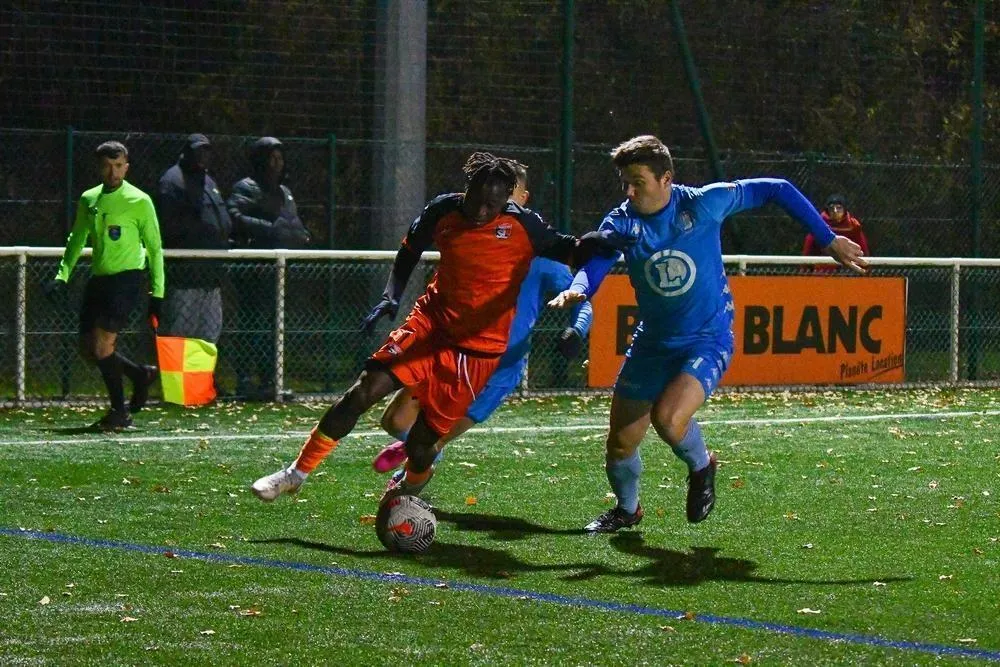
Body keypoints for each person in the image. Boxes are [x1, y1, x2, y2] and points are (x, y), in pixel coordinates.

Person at [548, 135, 867, 533]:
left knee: (668, 418)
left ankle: (702, 465)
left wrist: (827, 238)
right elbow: (597, 263)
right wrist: (579, 288)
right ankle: (627, 510)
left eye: (638, 182)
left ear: (666, 178)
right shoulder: (622, 221)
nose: (629, 192)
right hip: (652, 343)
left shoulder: (703, 203)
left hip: (707, 338)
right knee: (620, 444)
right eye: (624, 183)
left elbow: (776, 189)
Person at [250, 152, 605, 505]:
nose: (481, 211)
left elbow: (575, 253)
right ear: (466, 187)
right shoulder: (443, 211)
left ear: (506, 201)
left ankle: (409, 491)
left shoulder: (527, 227)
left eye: (492, 205)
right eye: (477, 200)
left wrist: (606, 243)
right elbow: (410, 250)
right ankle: (296, 473)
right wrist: (392, 296)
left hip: (478, 351)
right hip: (430, 326)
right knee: (363, 391)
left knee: (423, 445)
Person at [371, 161, 594, 479]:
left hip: (496, 370)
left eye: (508, 194)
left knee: (427, 447)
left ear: (522, 197)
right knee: (394, 421)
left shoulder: (541, 253)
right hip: (451, 351)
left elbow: (582, 299)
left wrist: (577, 330)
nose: (498, 202)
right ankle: (422, 455)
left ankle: (408, 495)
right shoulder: (469, 233)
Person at [45, 141, 164, 430]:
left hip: (127, 280)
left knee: (102, 345)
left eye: (119, 165)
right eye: (108, 166)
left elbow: (155, 247)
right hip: (99, 279)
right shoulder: (89, 199)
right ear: (99, 167)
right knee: (88, 350)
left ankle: (119, 414)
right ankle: (139, 374)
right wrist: (62, 275)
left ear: (127, 166)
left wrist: (157, 292)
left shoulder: (139, 200)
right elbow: (77, 239)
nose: (114, 172)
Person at [227, 137, 310, 398]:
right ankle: (244, 380)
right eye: (272, 158)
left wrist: (300, 234)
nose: (277, 163)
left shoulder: (283, 192)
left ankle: (269, 380)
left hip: (278, 270)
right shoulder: (246, 187)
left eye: (280, 158)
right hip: (253, 269)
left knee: (275, 325)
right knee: (252, 323)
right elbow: (234, 216)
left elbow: (292, 221)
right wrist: (268, 230)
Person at [155, 133, 231, 345]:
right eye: (198, 150)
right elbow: (168, 227)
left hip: (210, 277)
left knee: (208, 339)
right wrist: (204, 234)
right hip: (185, 277)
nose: (202, 156)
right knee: (181, 338)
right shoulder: (172, 181)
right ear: (186, 152)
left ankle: (203, 379)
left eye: (206, 151)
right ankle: (177, 379)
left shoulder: (208, 181)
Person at [802, 193, 869, 272]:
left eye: (839, 208)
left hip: (849, 270)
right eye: (831, 208)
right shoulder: (819, 225)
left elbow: (863, 250)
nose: (835, 211)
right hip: (823, 270)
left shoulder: (853, 226)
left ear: (844, 210)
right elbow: (808, 250)